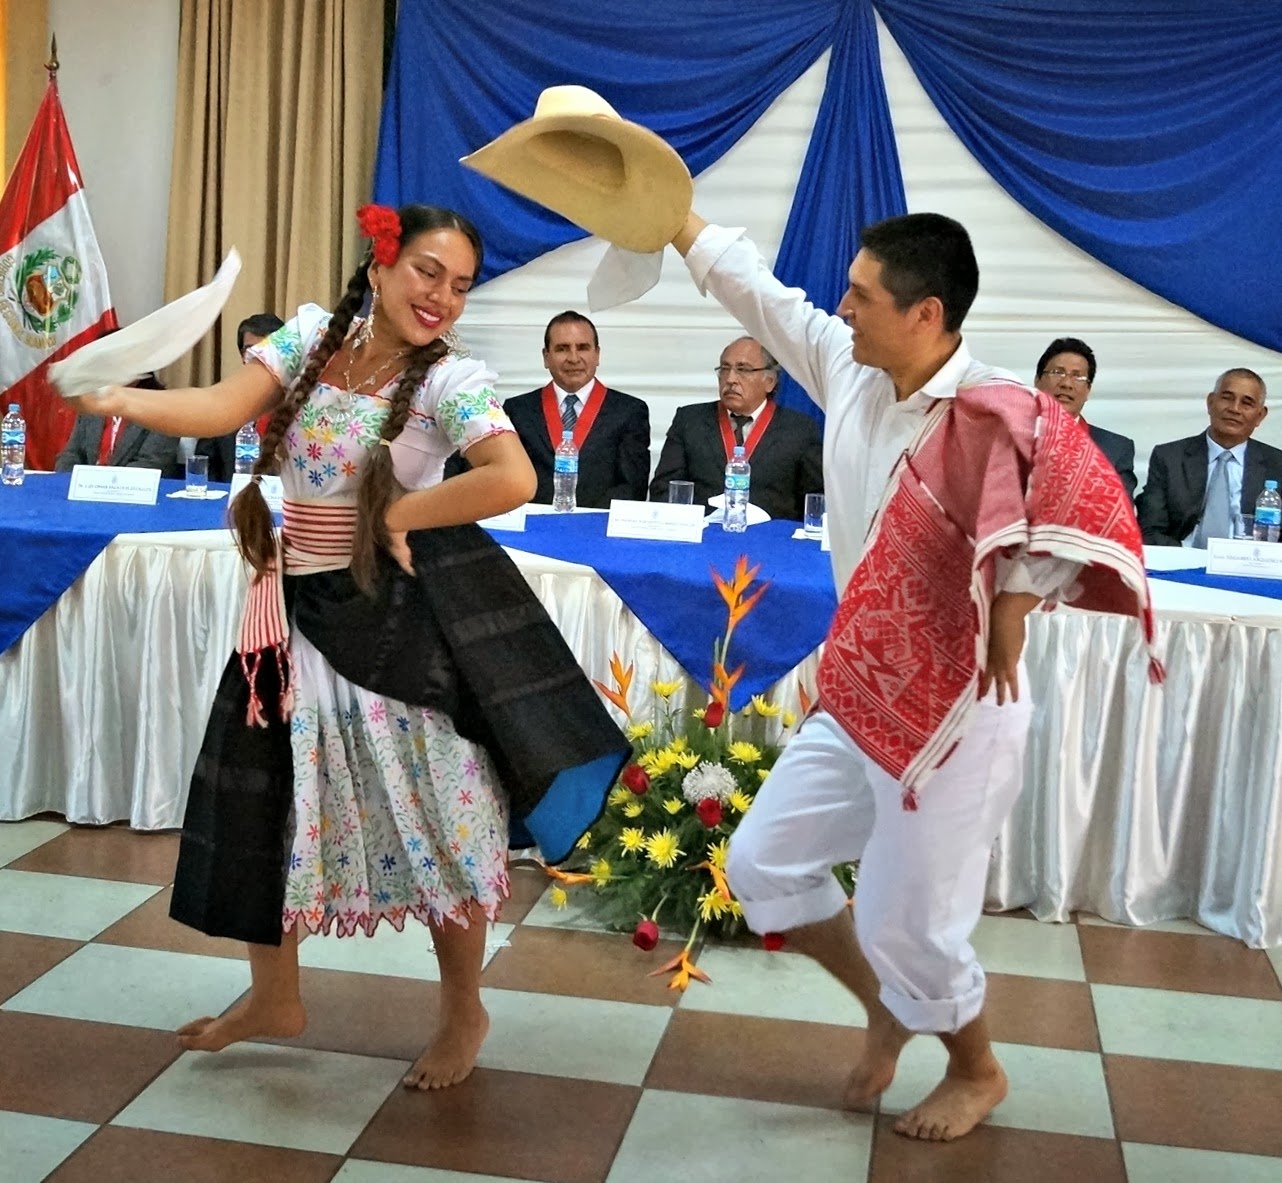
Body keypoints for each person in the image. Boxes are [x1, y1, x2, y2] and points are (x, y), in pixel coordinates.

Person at [64, 203, 628, 1090]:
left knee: (443, 814)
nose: (442, 296)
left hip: (386, 623)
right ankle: (275, 996)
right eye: (427, 273)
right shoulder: (308, 339)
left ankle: (462, 1009)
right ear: (381, 263)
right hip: (283, 617)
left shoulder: (452, 381)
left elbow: (512, 475)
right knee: (266, 805)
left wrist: (401, 511)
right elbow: (220, 407)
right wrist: (121, 395)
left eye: (461, 284)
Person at [667, 209, 1152, 1143]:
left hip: (964, 707)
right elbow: (763, 300)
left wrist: (1018, 597)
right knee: (763, 860)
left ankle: (979, 1068)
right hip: (857, 692)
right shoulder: (851, 370)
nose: (841, 306)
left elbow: (1086, 507)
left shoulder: (999, 409)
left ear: (926, 312)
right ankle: (889, 1006)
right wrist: (679, 223)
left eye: (861, 294)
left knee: (909, 923)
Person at [464, 311, 650, 507]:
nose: (573, 358)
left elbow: (632, 487)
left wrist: (587, 522)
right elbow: (501, 474)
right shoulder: (518, 410)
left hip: (596, 529)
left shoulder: (629, 411)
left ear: (597, 355)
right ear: (546, 357)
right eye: (562, 349)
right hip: (532, 526)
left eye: (583, 348)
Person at [649, 335, 823, 519]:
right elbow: (663, 489)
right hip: (704, 535)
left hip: (768, 539)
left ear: (770, 381)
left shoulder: (799, 429)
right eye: (724, 369)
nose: (730, 379)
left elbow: (815, 500)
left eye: (743, 370)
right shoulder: (690, 420)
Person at [1137, 368, 1282, 545]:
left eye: (1247, 403)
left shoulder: (1277, 464)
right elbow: (1150, 529)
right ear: (1210, 403)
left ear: (1260, 416)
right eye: (1227, 398)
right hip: (1181, 559)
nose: (1234, 409)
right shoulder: (1169, 457)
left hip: (1248, 565)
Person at [1033, 337, 1136, 499]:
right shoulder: (1006, 436)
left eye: (1078, 377)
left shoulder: (1115, 449)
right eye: (1057, 372)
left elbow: (1120, 515)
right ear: (1037, 381)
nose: (1066, 383)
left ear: (1088, 390)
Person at [195, 312, 286, 481]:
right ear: (242, 356)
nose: (260, 357)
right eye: (251, 350)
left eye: (268, 349)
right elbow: (207, 467)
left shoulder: (305, 404)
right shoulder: (223, 403)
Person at [55, 371, 182, 477]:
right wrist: (69, 478)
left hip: (133, 494)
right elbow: (70, 454)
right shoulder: (93, 404)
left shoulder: (162, 408)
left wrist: (100, 483)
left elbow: (152, 464)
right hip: (87, 490)